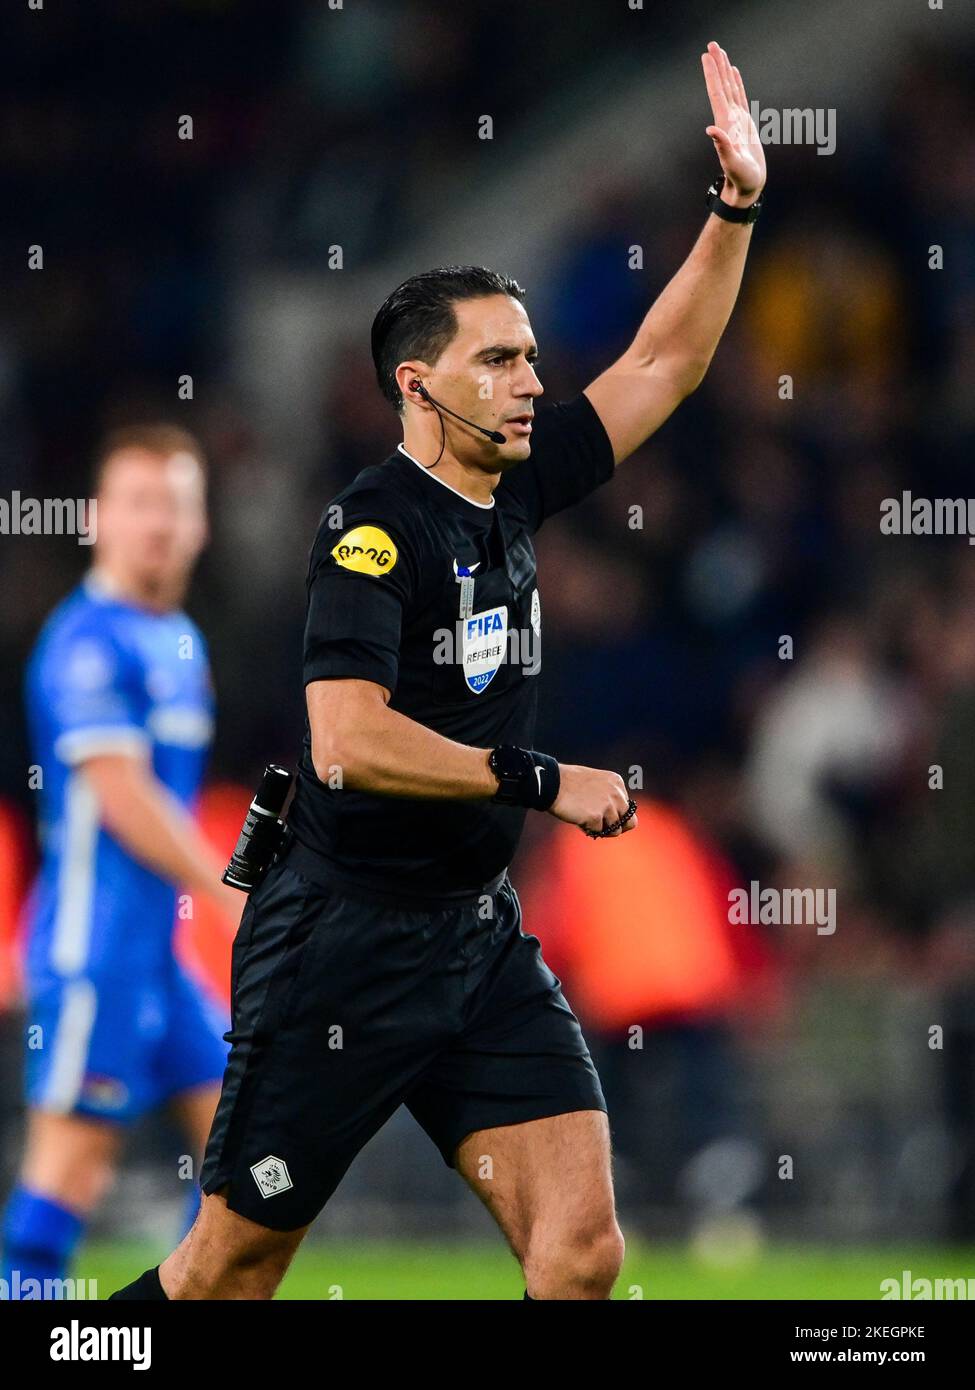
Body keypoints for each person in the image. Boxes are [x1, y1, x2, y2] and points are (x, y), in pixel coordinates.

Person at [112, 40, 766, 1301]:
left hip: (473, 939)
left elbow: (663, 364)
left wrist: (734, 205)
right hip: (337, 947)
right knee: (223, 1278)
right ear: (419, 386)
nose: (532, 381)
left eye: (528, 355)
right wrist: (539, 779)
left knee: (580, 1256)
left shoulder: (514, 482)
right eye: (498, 361)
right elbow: (347, 738)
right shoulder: (370, 531)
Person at [0, 424, 242, 1295]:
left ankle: (160, 1309)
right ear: (97, 520)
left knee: (245, 1139)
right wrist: (224, 889)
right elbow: (123, 793)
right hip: (91, 952)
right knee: (72, 1169)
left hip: (157, 961)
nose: (160, 524)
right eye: (140, 503)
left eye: (177, 503)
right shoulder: (84, 642)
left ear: (203, 523)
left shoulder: (180, 642)